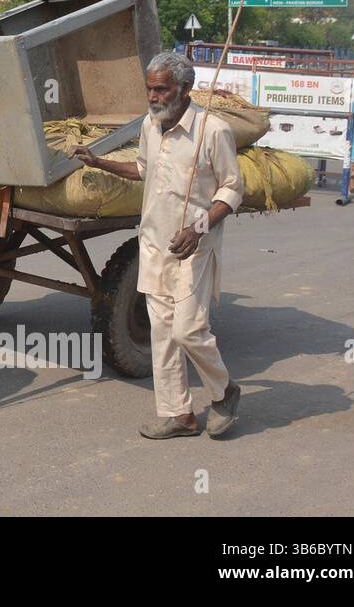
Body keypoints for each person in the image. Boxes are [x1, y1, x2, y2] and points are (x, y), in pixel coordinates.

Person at [70, 51, 244, 439]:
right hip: (154, 244)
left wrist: (198, 228)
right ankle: (178, 414)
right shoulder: (151, 125)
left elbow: (233, 190)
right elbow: (143, 170)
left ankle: (224, 391)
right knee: (162, 333)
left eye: (162, 89)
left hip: (193, 248)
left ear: (185, 88)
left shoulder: (212, 131)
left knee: (188, 331)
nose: (154, 96)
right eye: (150, 89)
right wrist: (100, 163)